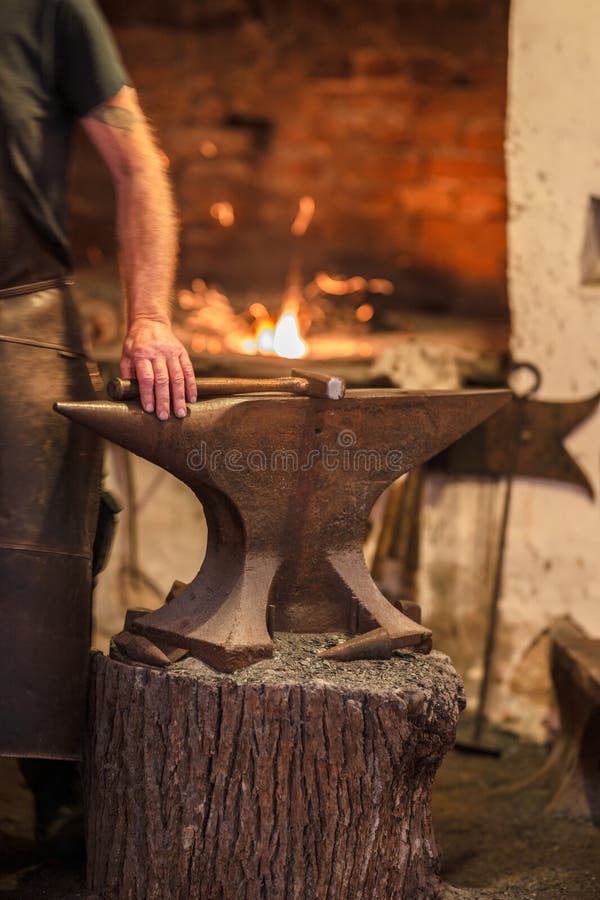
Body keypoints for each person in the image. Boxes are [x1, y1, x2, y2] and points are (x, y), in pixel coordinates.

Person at [0, 0, 197, 851]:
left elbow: (136, 165)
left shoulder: (47, 11)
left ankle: (56, 784)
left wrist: (148, 318)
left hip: (20, 312)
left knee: (52, 548)